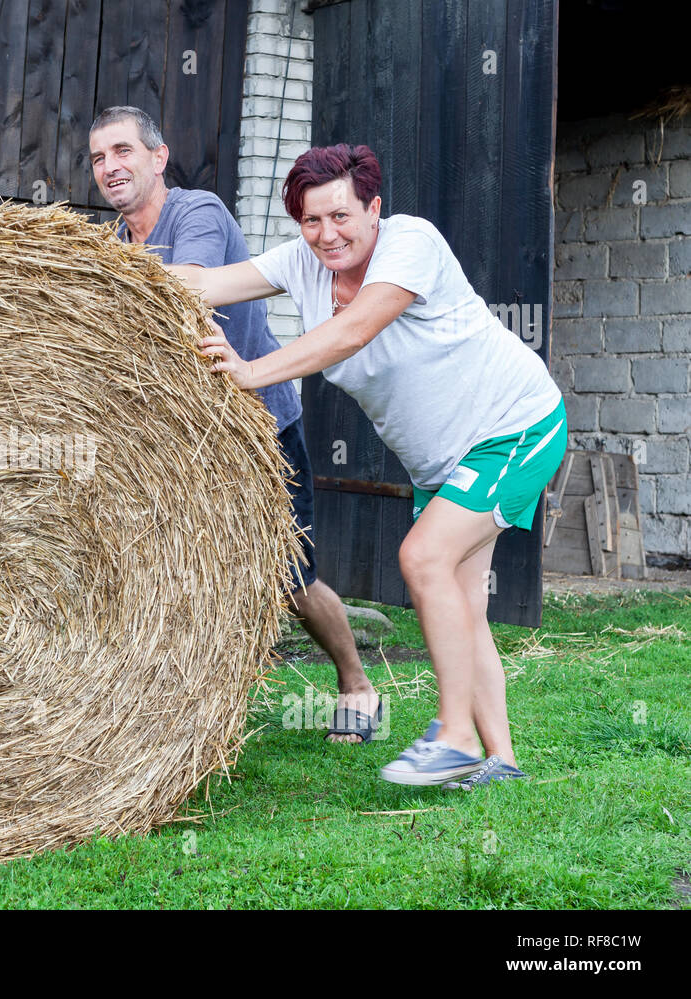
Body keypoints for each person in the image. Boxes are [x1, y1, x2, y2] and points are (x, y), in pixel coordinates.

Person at [175, 143, 566, 787]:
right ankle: (502, 763)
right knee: (465, 607)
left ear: (373, 208)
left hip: (514, 426)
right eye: (310, 221)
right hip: (443, 462)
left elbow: (353, 331)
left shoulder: (411, 242)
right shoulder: (302, 263)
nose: (327, 235)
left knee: (423, 558)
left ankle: (455, 736)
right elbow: (207, 282)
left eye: (340, 216)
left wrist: (249, 373)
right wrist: (94, 267)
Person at [89, 106, 385, 745]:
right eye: (97, 158)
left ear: (158, 158)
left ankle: (358, 686)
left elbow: (182, 289)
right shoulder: (113, 248)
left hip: (259, 427)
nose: (110, 168)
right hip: (179, 440)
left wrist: (80, 283)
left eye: (122, 151)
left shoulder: (196, 213)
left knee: (290, 574)